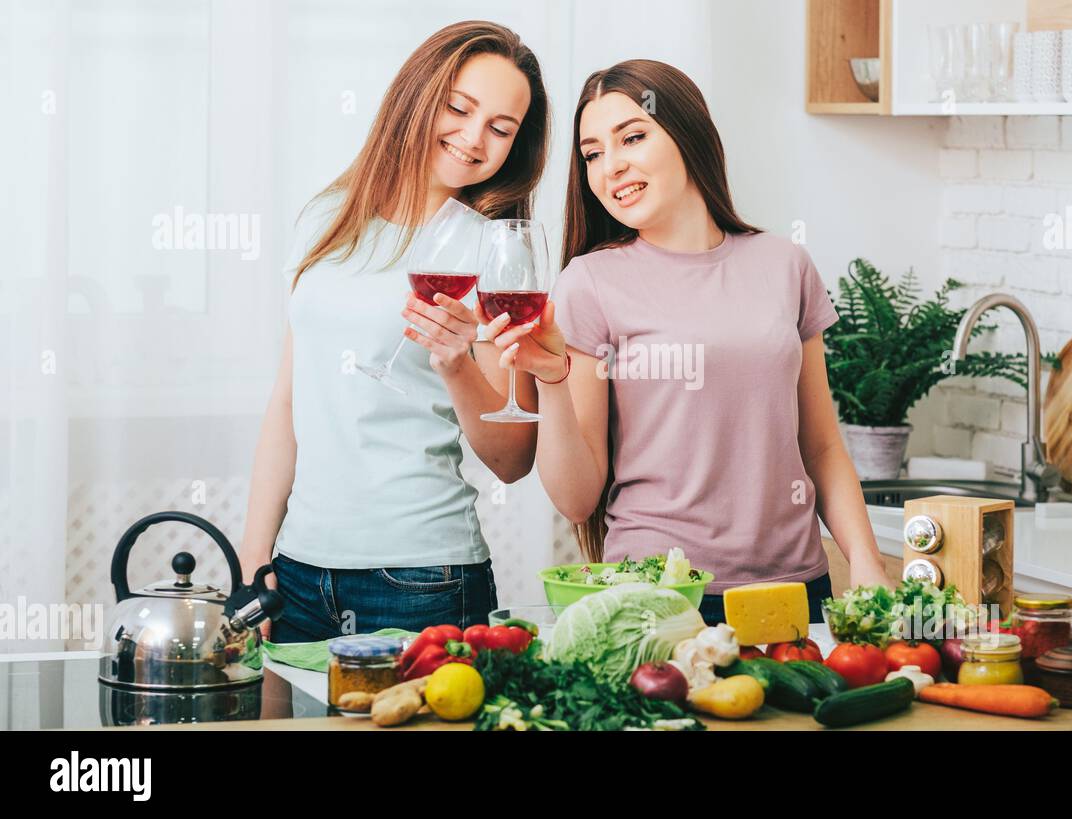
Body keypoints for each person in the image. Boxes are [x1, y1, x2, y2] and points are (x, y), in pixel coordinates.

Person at [486, 59, 891, 626]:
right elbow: (578, 500)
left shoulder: (785, 265)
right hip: (658, 600)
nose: (611, 167)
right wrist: (551, 379)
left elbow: (821, 447)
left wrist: (867, 564)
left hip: (798, 594)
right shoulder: (591, 283)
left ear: (688, 131)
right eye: (593, 153)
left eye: (632, 137)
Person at [238, 21, 550, 641]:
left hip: (421, 578)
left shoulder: (495, 250)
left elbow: (512, 461)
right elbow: (288, 402)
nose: (472, 137)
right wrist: (253, 556)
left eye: (500, 128)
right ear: (416, 97)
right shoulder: (328, 218)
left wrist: (457, 362)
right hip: (298, 572)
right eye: (458, 108)